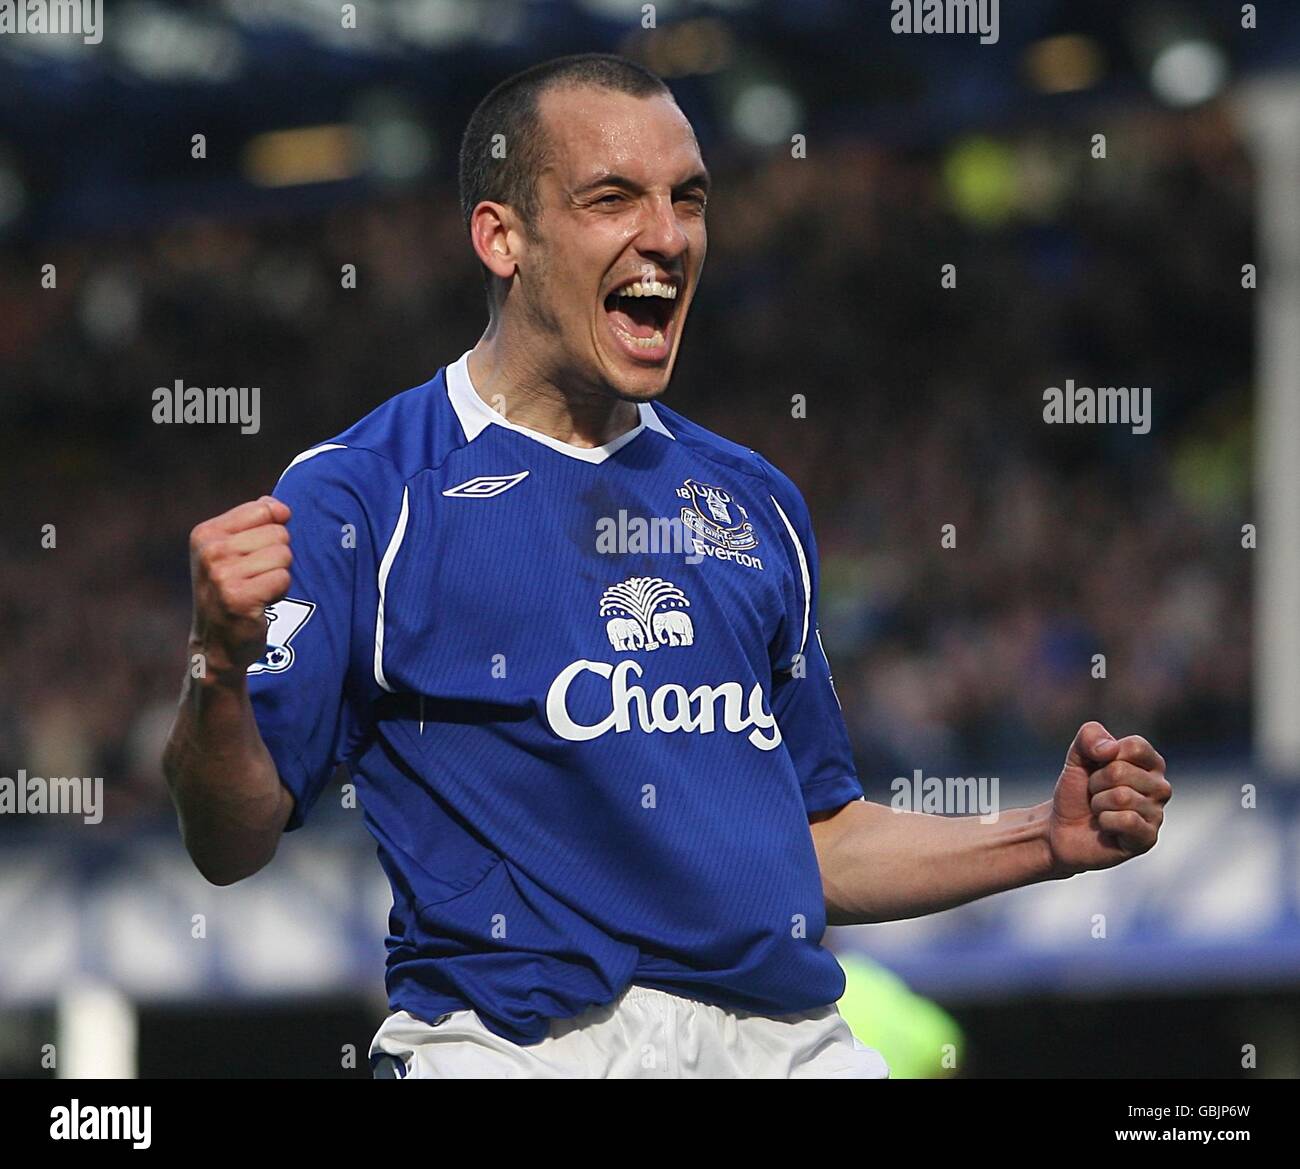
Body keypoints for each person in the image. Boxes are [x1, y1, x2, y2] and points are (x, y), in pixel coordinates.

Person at [163, 53, 1171, 1079]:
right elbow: (227, 840)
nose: (667, 235)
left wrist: (1040, 837)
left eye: (687, 198)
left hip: (778, 1044)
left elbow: (813, 841)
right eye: (612, 198)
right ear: (501, 236)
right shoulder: (364, 494)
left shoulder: (752, 500)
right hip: (516, 1049)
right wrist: (217, 669)